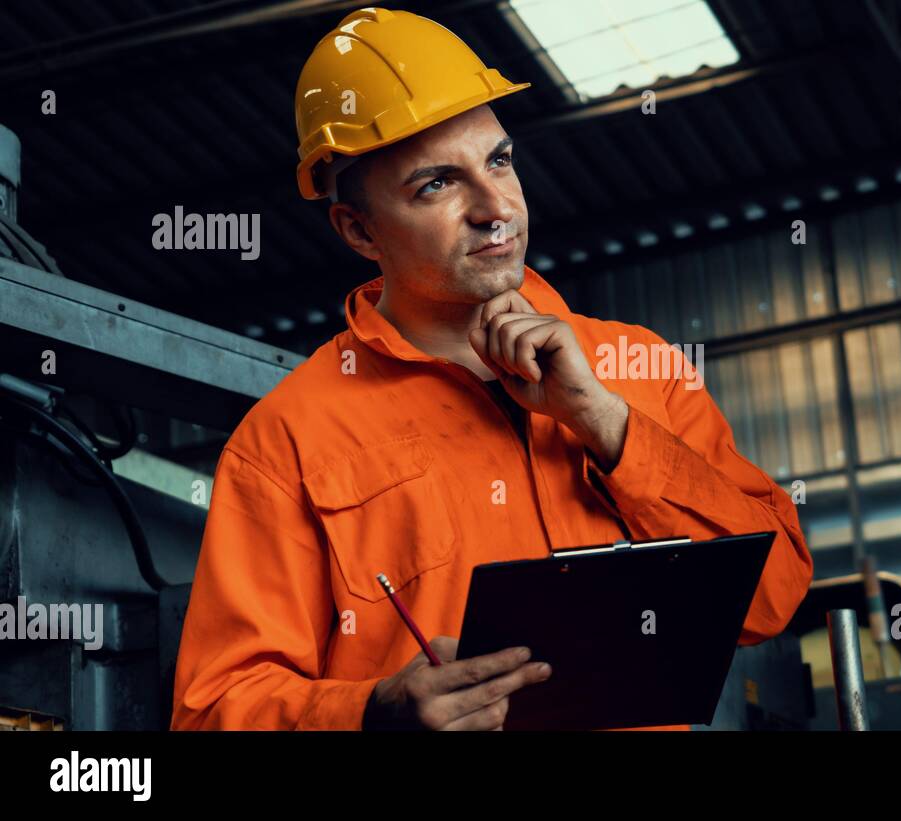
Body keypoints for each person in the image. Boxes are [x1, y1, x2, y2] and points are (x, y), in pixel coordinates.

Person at [171, 8, 813, 731]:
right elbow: (212, 712)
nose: (495, 207)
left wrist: (604, 421)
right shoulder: (288, 439)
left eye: (499, 160)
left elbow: (774, 596)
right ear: (359, 229)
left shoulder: (639, 368)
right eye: (437, 184)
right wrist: (372, 713)